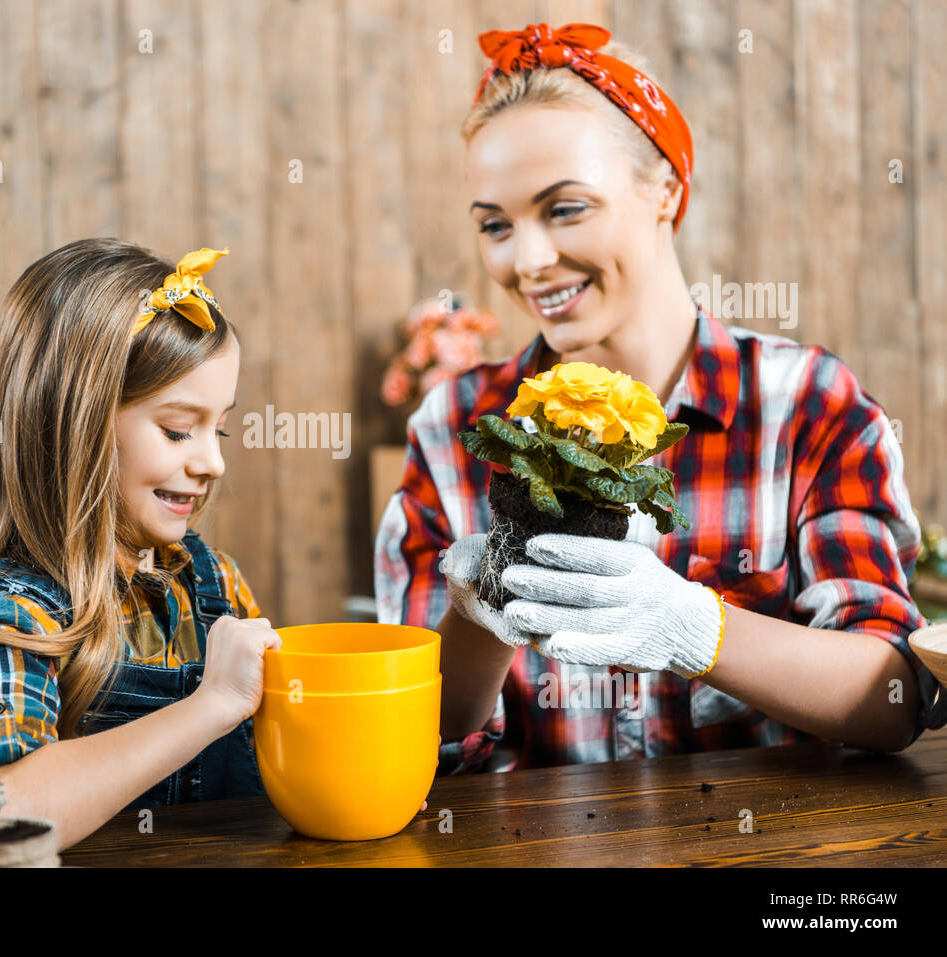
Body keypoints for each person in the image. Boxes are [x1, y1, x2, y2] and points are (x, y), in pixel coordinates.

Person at [374, 22, 945, 774]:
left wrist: (694, 627)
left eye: (566, 208)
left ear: (667, 191)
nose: (528, 260)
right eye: (495, 225)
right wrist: (480, 614)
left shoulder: (808, 405)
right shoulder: (454, 427)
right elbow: (413, 730)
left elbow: (895, 700)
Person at [0, 240, 281, 848]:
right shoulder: (12, 616)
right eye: (178, 430)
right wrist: (210, 704)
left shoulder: (216, 584)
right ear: (74, 424)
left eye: (219, 430)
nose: (214, 462)